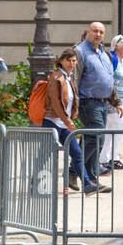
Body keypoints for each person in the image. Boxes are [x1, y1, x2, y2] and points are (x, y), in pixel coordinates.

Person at [44, 48, 108, 195]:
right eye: (69, 60)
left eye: (74, 61)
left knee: (77, 154)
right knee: (45, 155)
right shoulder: (56, 78)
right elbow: (55, 103)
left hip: (63, 124)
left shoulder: (68, 78)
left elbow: (70, 102)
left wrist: (71, 116)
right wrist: (67, 120)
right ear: (61, 61)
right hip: (52, 122)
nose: (72, 63)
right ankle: (35, 184)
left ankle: (87, 185)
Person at [73, 21, 116, 183]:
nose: (98, 34)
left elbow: (109, 79)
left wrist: (116, 101)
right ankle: (72, 169)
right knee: (95, 136)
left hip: (104, 102)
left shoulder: (104, 53)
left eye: (101, 32)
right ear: (88, 32)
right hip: (87, 101)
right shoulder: (80, 51)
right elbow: (75, 78)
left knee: (96, 138)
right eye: (94, 31)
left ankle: (90, 178)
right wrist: (74, 104)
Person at [100, 34, 123, 171]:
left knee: (110, 129)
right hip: (112, 101)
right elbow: (108, 79)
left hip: (120, 101)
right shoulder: (112, 59)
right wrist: (113, 99)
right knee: (122, 124)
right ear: (117, 47)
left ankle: (106, 158)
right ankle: (112, 158)